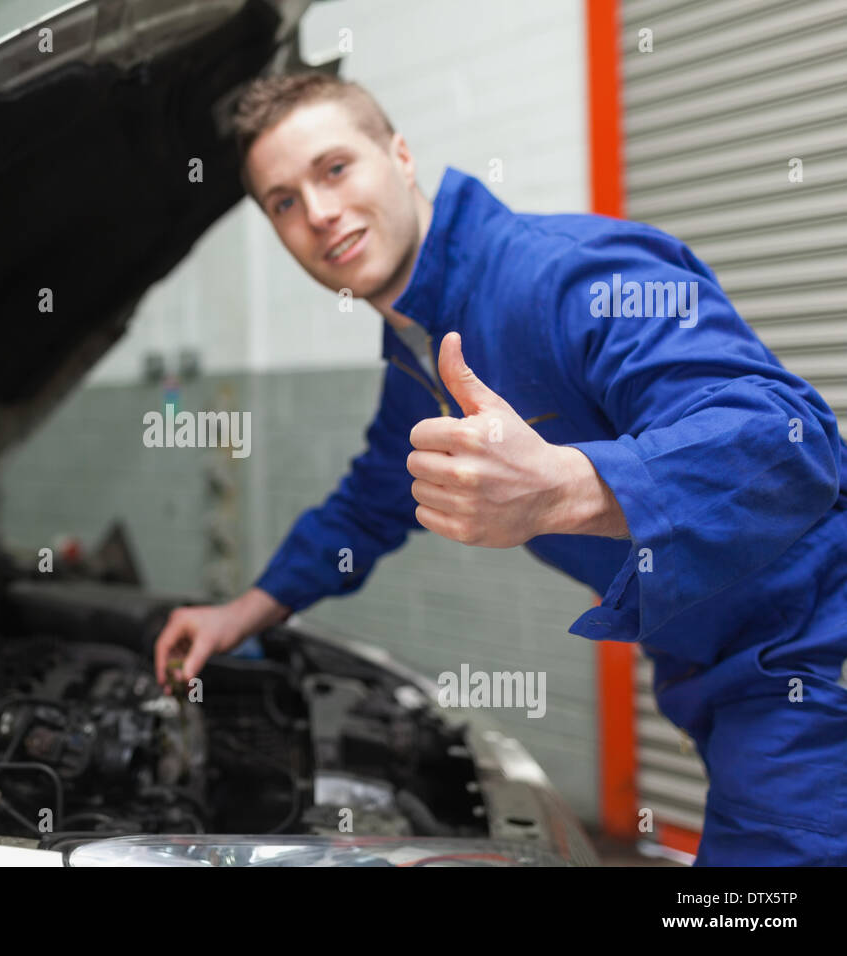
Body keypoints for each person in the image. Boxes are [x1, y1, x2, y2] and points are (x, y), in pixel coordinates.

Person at [152, 72, 847, 866]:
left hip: (814, 653)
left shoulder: (567, 275)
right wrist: (238, 615)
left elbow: (786, 441)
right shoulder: (420, 353)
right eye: (282, 200)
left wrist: (566, 487)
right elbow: (369, 506)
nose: (317, 213)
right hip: (720, 676)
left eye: (335, 168)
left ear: (400, 154)